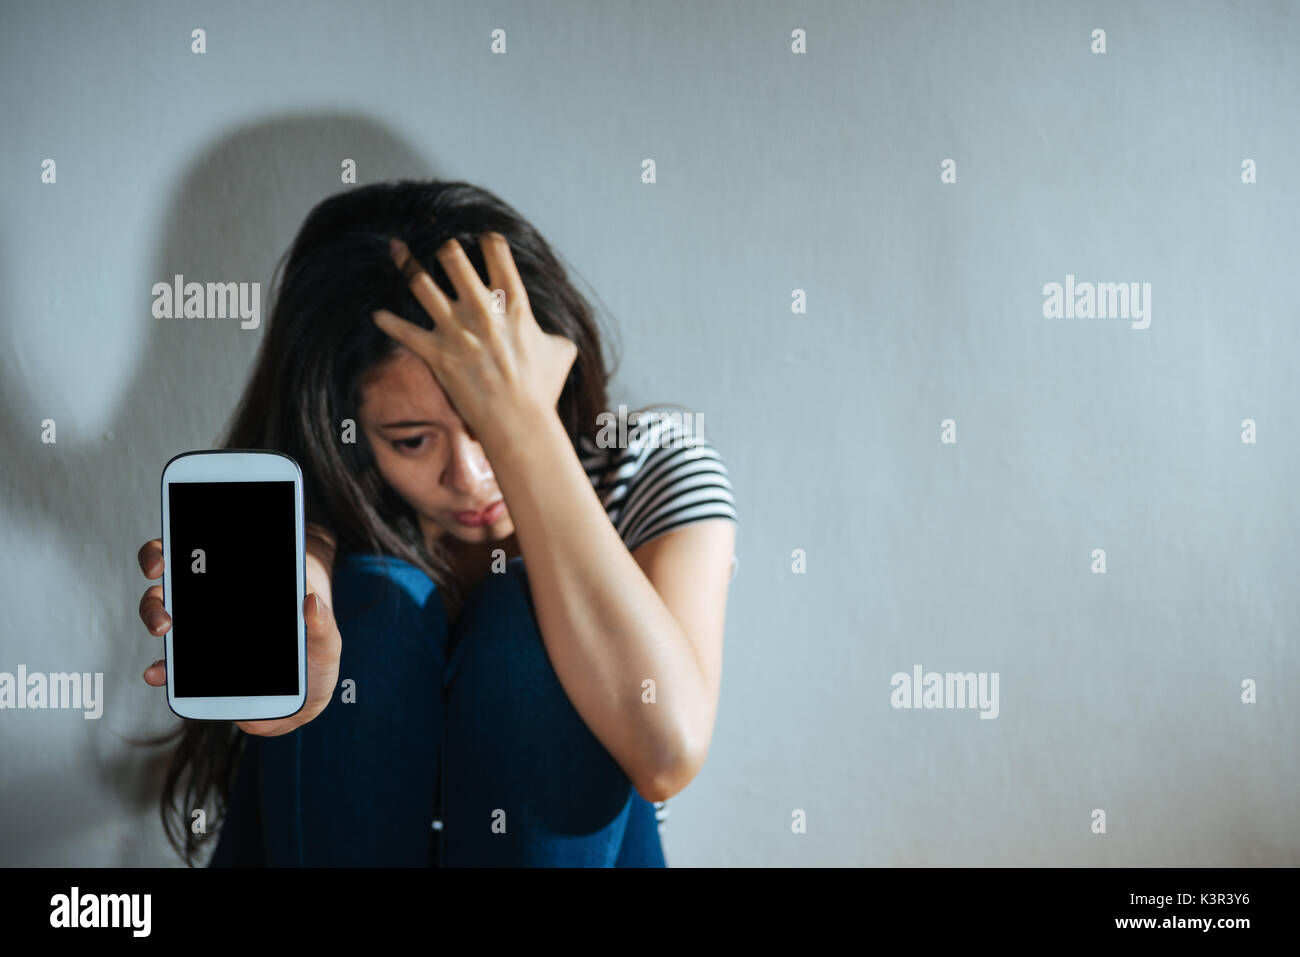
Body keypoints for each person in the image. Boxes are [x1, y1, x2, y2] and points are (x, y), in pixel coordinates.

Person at [133, 179, 738, 866]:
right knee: (379, 604)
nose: (471, 477)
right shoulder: (331, 513)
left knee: (528, 613)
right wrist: (301, 599)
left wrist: (525, 430)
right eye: (414, 439)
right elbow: (315, 573)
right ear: (349, 432)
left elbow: (668, 751)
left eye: (486, 424)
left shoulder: (650, 464)